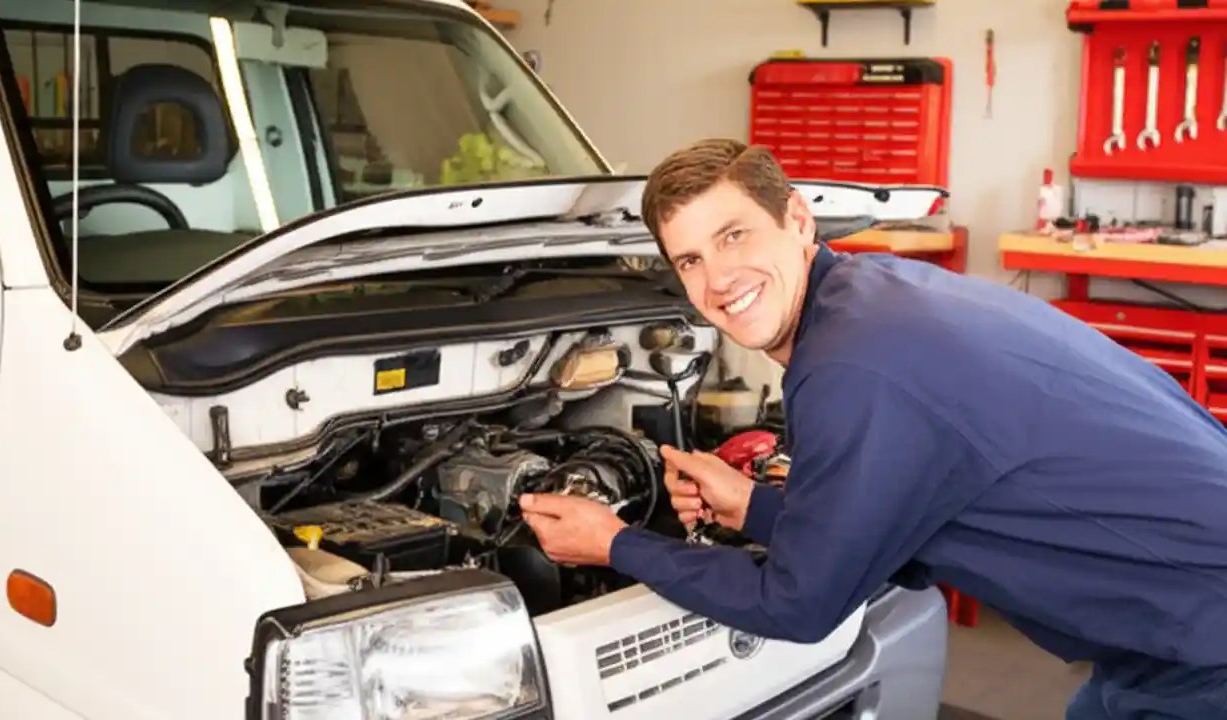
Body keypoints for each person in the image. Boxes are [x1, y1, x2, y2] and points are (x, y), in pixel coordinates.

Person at [517, 138, 1227, 719]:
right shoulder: (872, 295)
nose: (718, 279)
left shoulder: (854, 368)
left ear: (798, 219)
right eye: (690, 261)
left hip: (1203, 647)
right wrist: (757, 507)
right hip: (1164, 633)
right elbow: (895, 519)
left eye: (734, 235)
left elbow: (798, 605)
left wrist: (615, 543)